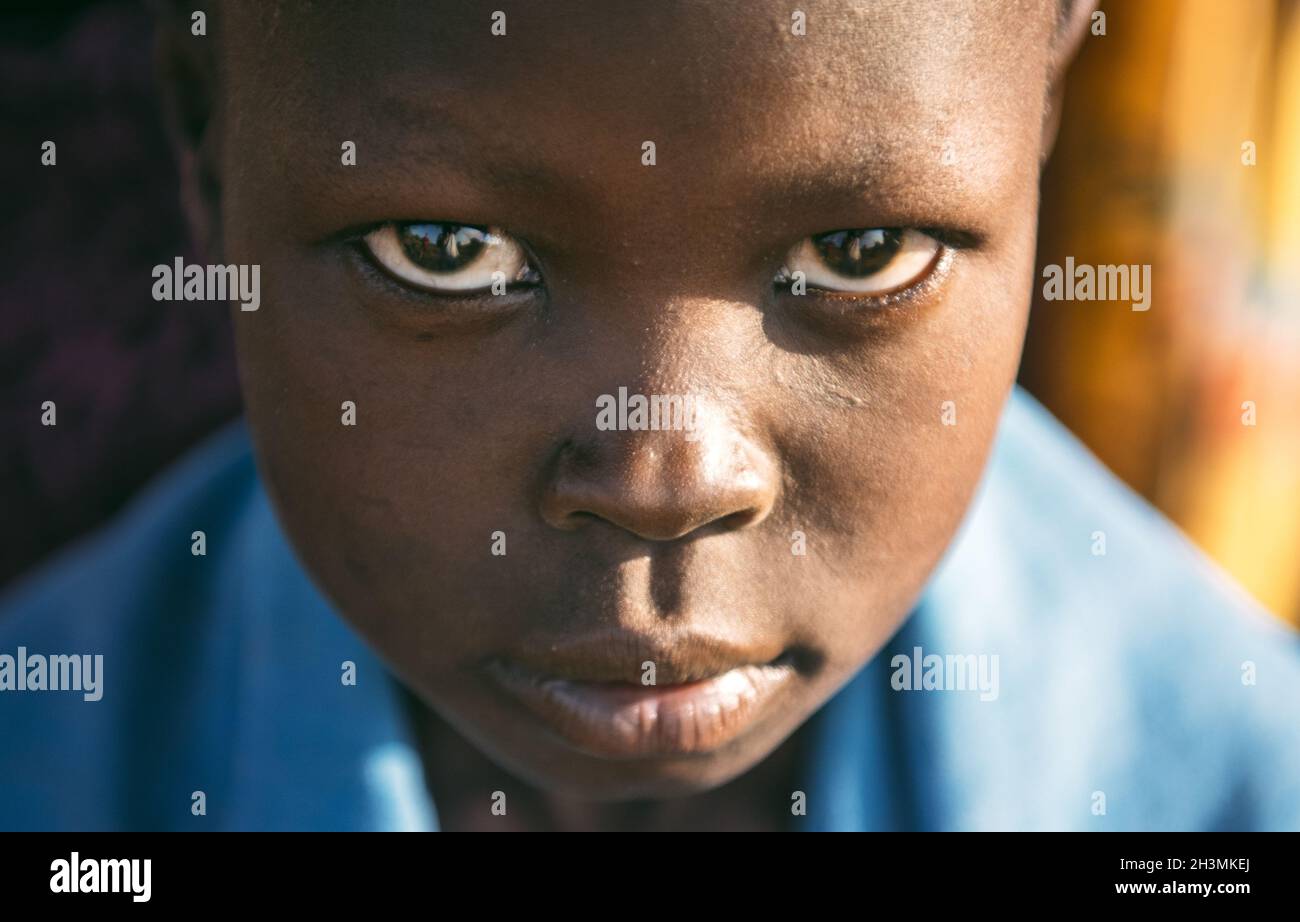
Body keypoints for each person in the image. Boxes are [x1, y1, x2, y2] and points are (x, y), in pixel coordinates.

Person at [2, 0, 1297, 831]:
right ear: (207, 135)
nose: (666, 474)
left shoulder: (1233, 789)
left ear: (1045, 112)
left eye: (858, 249)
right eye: (447, 250)